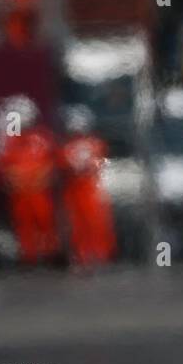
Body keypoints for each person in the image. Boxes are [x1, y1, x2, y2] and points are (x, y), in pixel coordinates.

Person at [0, 95, 59, 264]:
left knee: (45, 222)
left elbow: (52, 163)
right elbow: (4, 167)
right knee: (24, 224)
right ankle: (28, 257)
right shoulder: (10, 140)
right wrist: (16, 180)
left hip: (40, 192)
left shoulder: (43, 137)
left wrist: (42, 178)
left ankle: (49, 254)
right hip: (20, 193)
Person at [58, 106, 116, 268]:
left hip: (91, 189)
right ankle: (80, 256)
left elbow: (100, 163)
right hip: (74, 190)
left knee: (96, 223)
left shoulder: (96, 143)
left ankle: (101, 254)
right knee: (76, 224)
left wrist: (86, 166)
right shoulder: (66, 146)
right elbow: (63, 165)